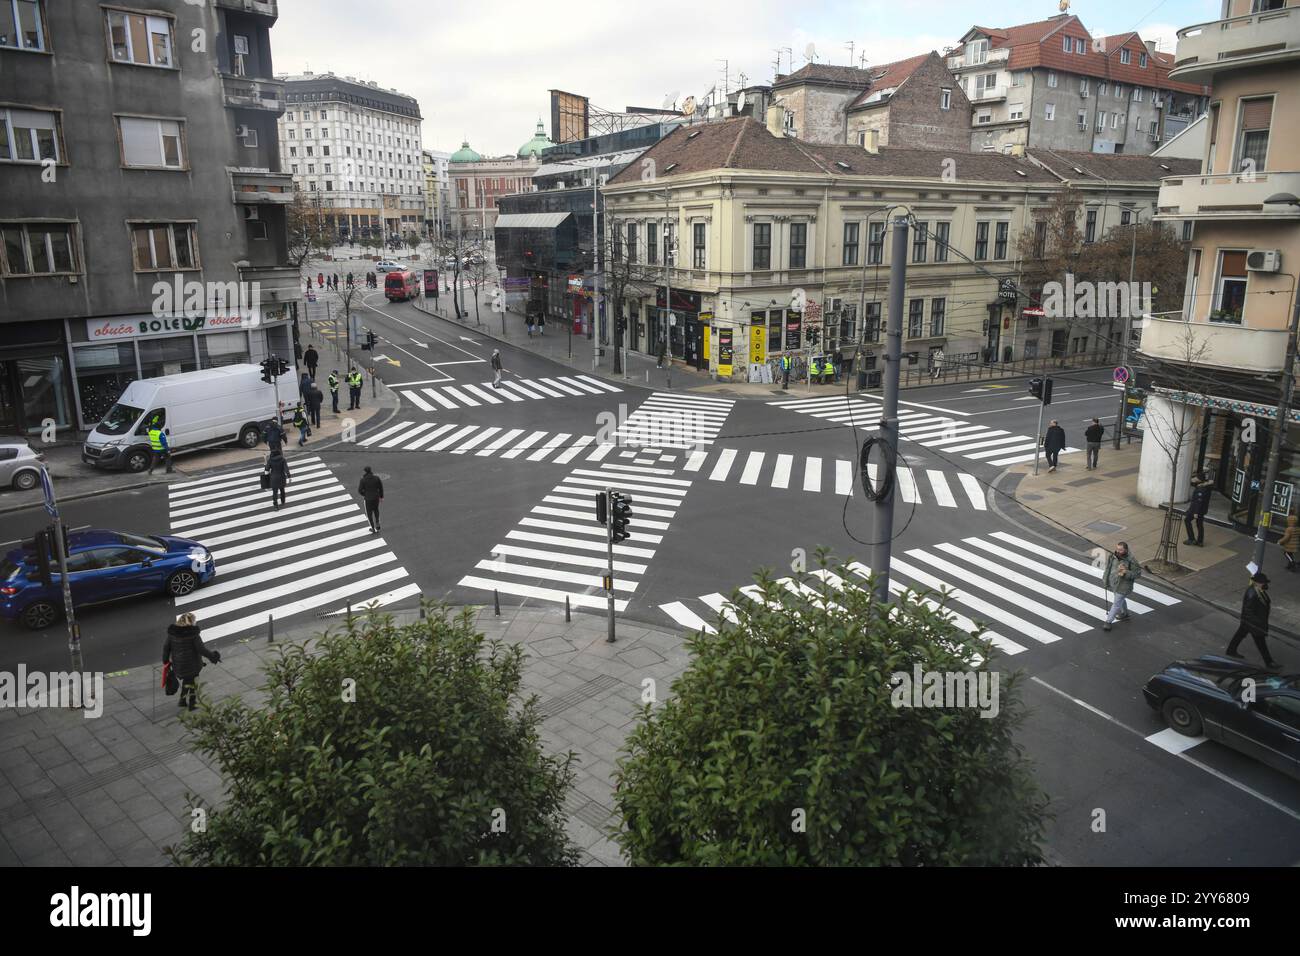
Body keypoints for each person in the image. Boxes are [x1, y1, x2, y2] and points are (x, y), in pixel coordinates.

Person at [163, 612, 220, 711]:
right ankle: (192, 704)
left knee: (187, 680)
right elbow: (201, 650)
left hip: (178, 666)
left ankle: (182, 700)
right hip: (192, 665)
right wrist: (213, 656)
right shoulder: (193, 635)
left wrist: (165, 661)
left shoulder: (172, 634)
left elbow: (166, 648)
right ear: (191, 622)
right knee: (193, 683)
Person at [1226, 572, 1280, 668]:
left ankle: (1231, 650)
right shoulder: (1252, 594)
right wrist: (1258, 623)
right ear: (1256, 583)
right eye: (1263, 582)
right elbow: (1248, 611)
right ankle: (1269, 662)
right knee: (1261, 643)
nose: (1265, 584)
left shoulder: (1259, 590)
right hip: (1253, 623)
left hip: (1249, 622)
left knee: (1239, 635)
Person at [1101, 541, 1141, 632]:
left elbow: (1138, 574)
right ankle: (1125, 614)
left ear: (1126, 550)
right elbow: (1108, 568)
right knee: (1120, 600)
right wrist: (1105, 580)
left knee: (1116, 603)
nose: (1118, 551)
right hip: (1114, 583)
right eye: (1117, 549)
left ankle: (1108, 621)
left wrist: (1126, 572)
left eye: (1121, 550)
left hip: (1124, 586)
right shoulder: (1112, 557)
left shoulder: (1132, 560)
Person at [1183, 473, 1213, 546]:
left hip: (1196, 510)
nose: (1194, 478)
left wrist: (1195, 512)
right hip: (1203, 510)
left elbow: (1198, 502)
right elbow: (1211, 481)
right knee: (1199, 524)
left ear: (1199, 480)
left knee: (1187, 520)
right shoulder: (1207, 487)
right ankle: (1200, 541)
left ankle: (1191, 539)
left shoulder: (1200, 489)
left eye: (1196, 477)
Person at [358, 465, 384, 533]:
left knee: (369, 514)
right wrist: (381, 497)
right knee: (376, 510)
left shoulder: (363, 480)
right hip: (376, 498)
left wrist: (365, 494)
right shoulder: (376, 478)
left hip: (368, 499)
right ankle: (377, 523)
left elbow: (360, 490)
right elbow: (380, 488)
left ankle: (372, 528)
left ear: (365, 471)